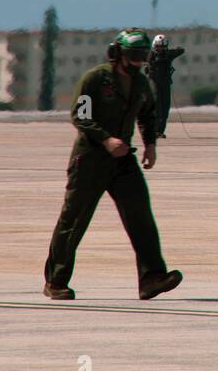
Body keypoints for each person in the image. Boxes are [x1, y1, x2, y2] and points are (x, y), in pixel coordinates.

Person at [43, 28, 183, 301]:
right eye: (133, 55)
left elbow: (148, 113)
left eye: (142, 56)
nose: (138, 61)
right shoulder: (94, 79)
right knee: (73, 221)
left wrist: (150, 145)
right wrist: (106, 140)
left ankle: (152, 277)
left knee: (140, 216)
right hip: (90, 159)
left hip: (123, 161)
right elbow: (80, 117)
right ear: (117, 53)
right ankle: (56, 281)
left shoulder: (141, 83)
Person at [147, 34, 185, 138]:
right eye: (157, 46)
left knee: (165, 109)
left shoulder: (168, 54)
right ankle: (154, 131)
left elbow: (181, 50)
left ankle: (160, 132)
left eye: (161, 46)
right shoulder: (149, 55)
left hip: (165, 84)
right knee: (157, 108)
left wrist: (170, 52)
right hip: (154, 83)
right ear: (154, 45)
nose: (159, 48)